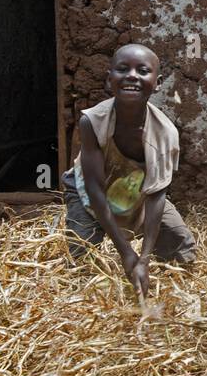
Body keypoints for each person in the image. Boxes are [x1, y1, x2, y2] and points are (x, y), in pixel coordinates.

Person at [62, 44, 195, 296]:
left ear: (157, 82)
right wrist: (126, 253)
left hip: (139, 194)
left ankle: (177, 299)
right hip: (90, 194)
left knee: (181, 243)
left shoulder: (165, 134)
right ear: (109, 78)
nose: (132, 76)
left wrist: (143, 259)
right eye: (123, 69)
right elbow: (94, 190)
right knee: (80, 249)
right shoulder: (92, 121)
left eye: (143, 71)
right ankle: (83, 301)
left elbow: (157, 195)